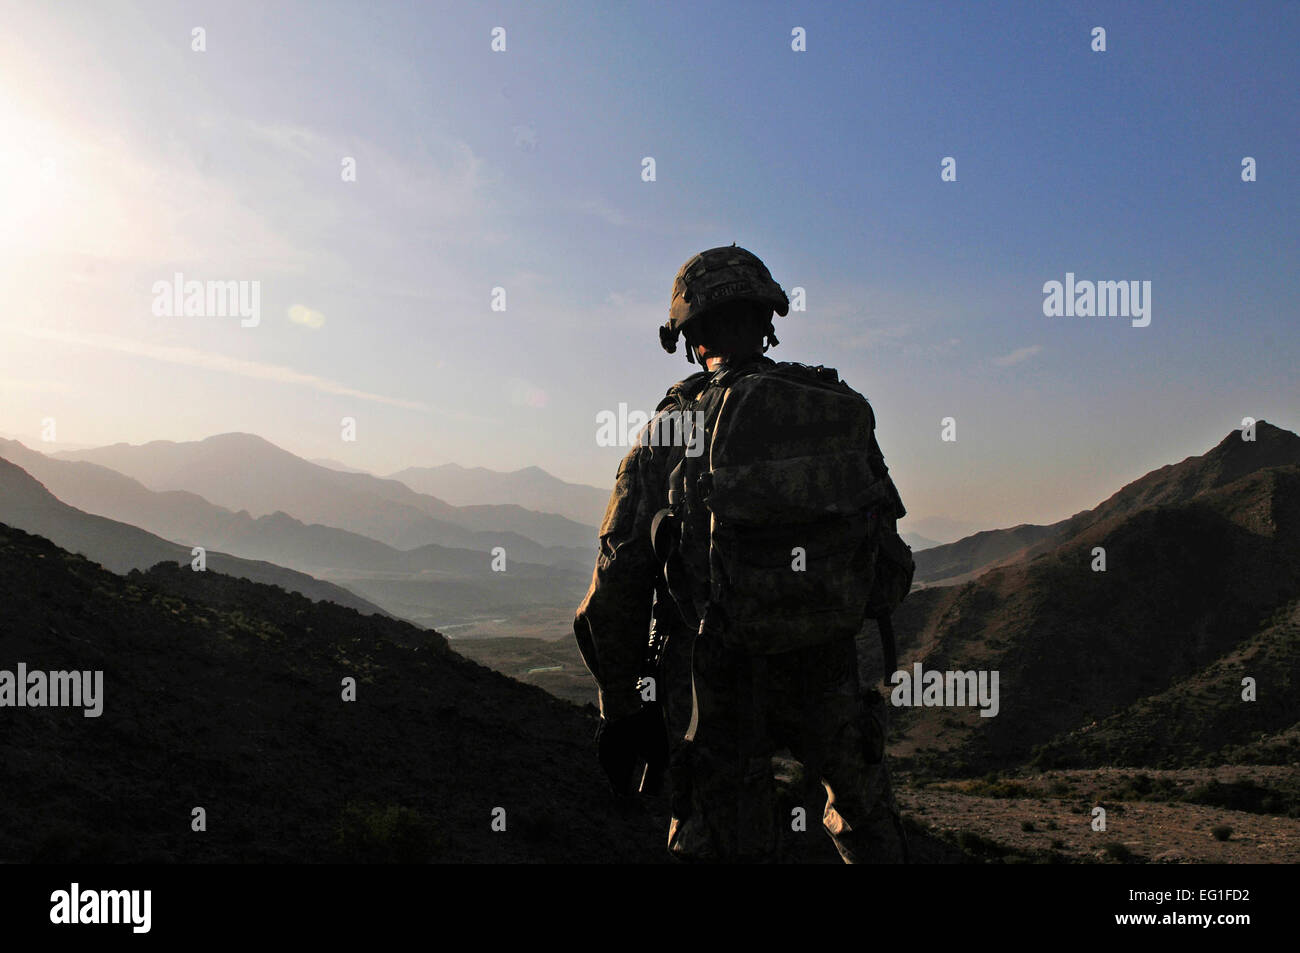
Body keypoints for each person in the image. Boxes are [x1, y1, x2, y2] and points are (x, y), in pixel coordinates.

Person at [574, 245, 909, 863]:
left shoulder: (670, 432)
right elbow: (890, 565)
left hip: (714, 682)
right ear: (766, 318)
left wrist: (622, 709)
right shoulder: (837, 408)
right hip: (826, 669)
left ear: (689, 331)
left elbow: (616, 585)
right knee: (867, 822)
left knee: (716, 838)